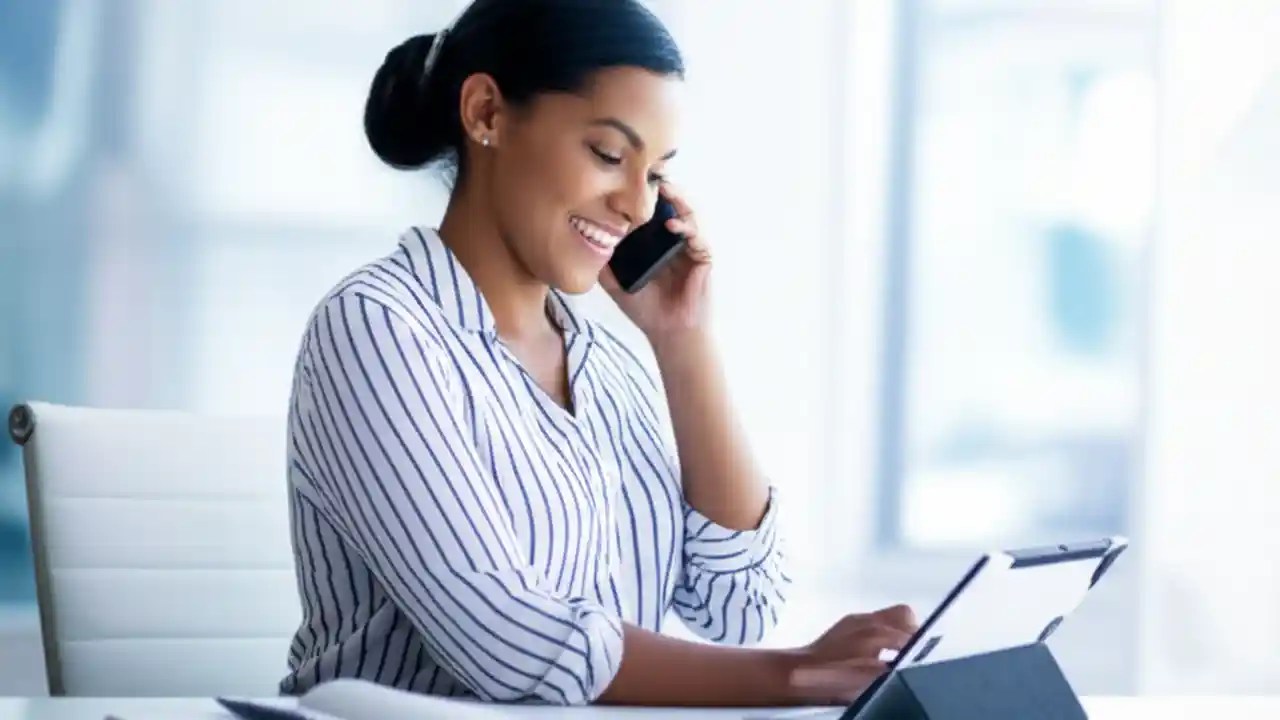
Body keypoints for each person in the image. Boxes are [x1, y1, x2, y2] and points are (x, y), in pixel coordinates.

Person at [280, 0, 916, 707]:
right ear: (486, 112)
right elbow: (506, 642)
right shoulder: (377, 330)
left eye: (654, 174)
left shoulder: (607, 368)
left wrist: (684, 342)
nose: (639, 208)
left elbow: (739, 606)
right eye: (609, 155)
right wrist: (795, 672)